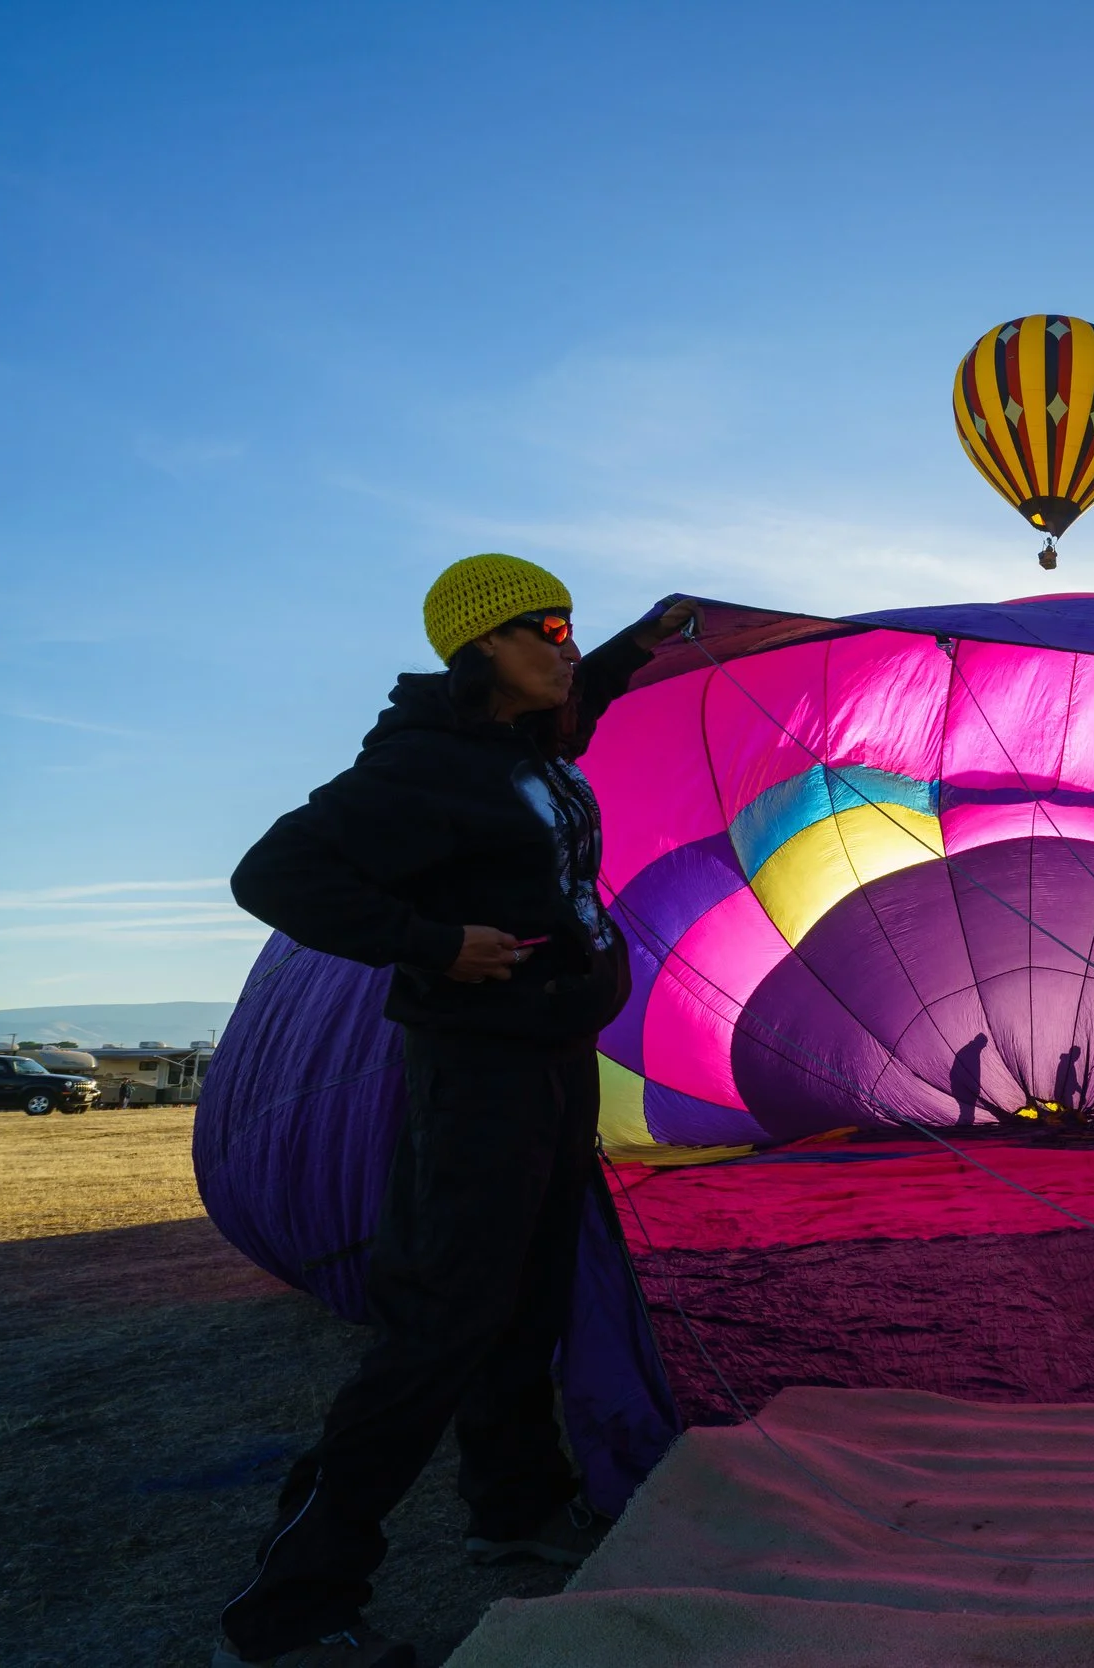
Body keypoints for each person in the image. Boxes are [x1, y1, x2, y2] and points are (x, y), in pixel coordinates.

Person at [214, 554, 696, 1668]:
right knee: (439, 1324)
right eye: (549, 628)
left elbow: (574, 716)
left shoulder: (523, 748)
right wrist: (432, 945)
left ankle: (513, 1507)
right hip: (475, 1076)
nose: (568, 646)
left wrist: (638, 642)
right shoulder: (422, 767)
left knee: (527, 1298)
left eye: (574, 630)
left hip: (548, 1055)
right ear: (485, 644)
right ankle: (284, 1610)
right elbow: (273, 874)